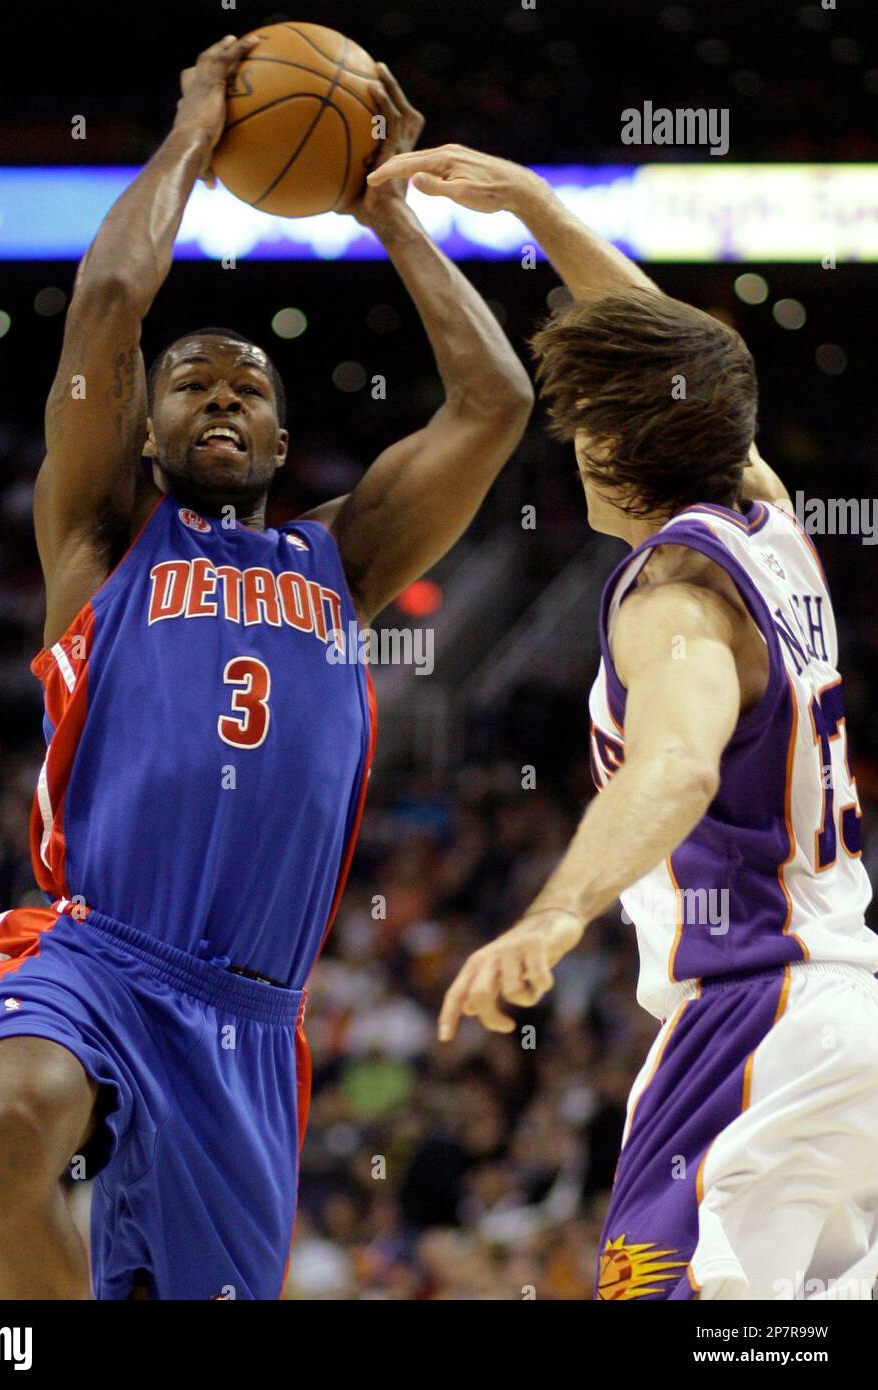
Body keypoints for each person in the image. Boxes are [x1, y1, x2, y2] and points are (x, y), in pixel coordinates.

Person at [0, 46, 533, 1300]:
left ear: (281, 436)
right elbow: (104, 310)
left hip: (248, 1022)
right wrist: (199, 133)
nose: (217, 394)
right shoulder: (100, 537)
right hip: (99, 954)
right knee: (10, 1106)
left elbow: (494, 400)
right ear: (143, 430)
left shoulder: (340, 556)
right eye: (188, 380)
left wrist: (385, 211)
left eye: (245, 385)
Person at [370, 145, 878, 1300]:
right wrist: (542, 211)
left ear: (609, 443)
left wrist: (552, 917)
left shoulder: (676, 599)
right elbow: (678, 365)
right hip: (844, 1017)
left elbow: (676, 766)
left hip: (758, 1016)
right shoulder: (765, 521)